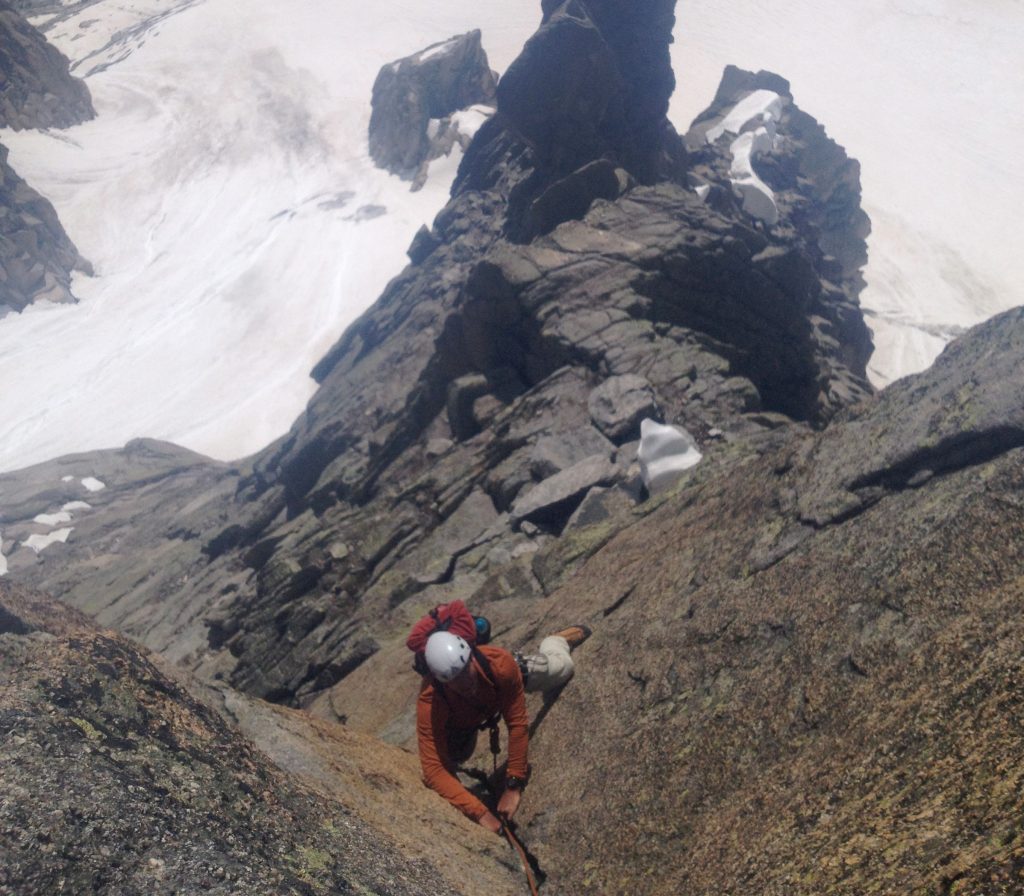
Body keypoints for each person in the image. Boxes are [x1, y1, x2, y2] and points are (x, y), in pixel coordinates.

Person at [415, 625, 591, 832]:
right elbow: (434, 769)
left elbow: (516, 724)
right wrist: (479, 812)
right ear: (441, 682)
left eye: (465, 671)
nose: (465, 682)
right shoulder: (431, 702)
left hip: (502, 682)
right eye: (456, 680)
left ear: (471, 656)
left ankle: (555, 641)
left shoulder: (499, 664)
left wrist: (514, 784)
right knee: (450, 760)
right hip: (463, 721)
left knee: (562, 668)